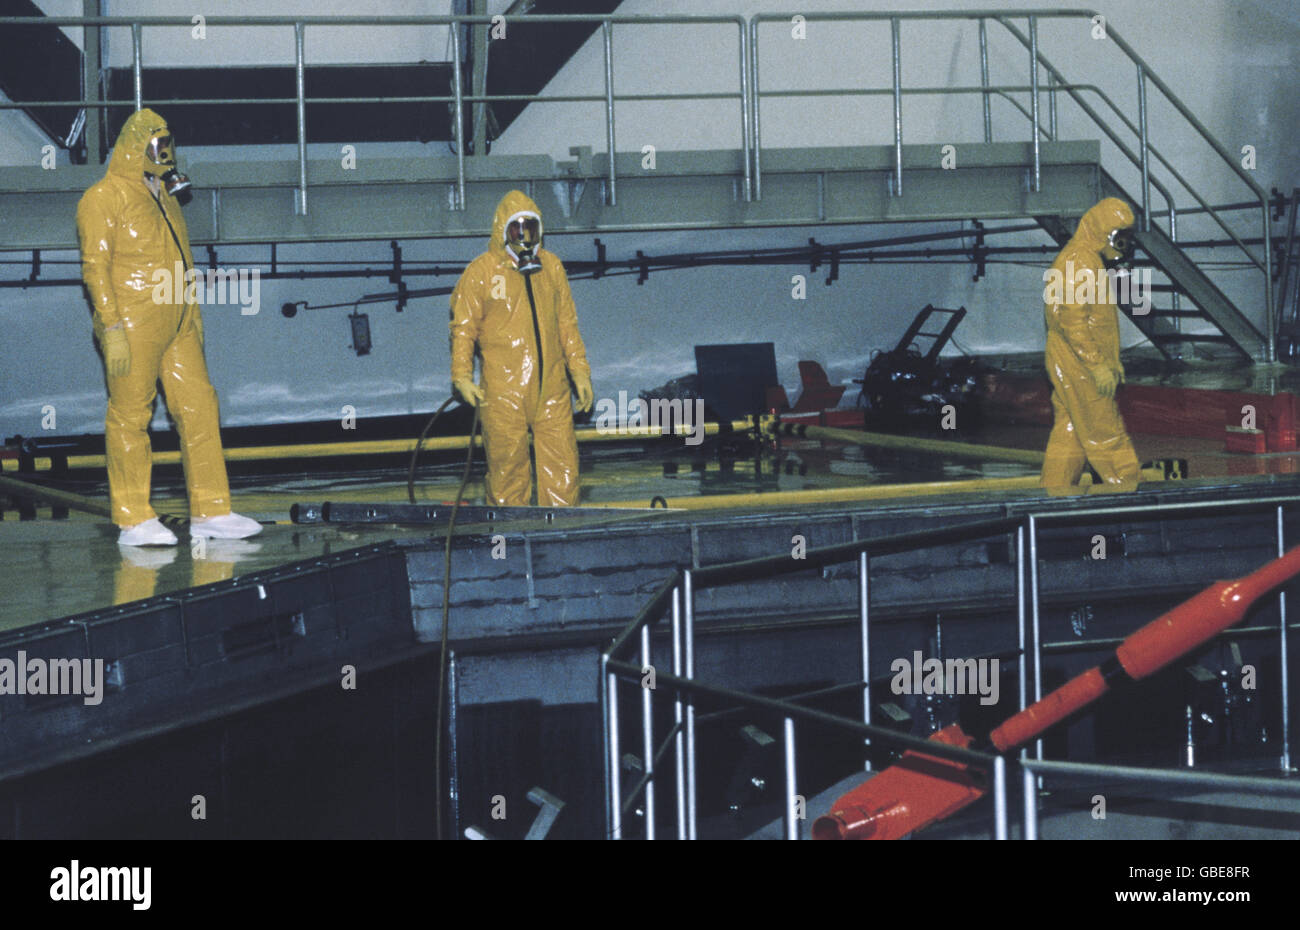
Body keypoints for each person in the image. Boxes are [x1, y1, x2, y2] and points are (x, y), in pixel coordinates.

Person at [77, 108, 261, 545]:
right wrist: (113, 328)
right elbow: (94, 269)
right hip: (133, 321)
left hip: (175, 317)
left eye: (167, 143)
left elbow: (184, 258)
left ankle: (212, 509)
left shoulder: (164, 194)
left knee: (199, 407)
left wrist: (193, 315)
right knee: (129, 415)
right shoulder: (102, 198)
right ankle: (133, 517)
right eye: (156, 144)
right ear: (133, 146)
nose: (165, 152)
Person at [449, 190, 594, 506]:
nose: (525, 237)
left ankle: (559, 535)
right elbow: (464, 329)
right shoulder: (482, 272)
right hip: (503, 393)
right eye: (518, 229)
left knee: (563, 469)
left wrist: (580, 372)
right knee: (507, 473)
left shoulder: (552, 268)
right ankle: (508, 540)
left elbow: (566, 324)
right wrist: (461, 377)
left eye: (532, 228)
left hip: (552, 389)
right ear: (503, 230)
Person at [1040, 196, 1142, 488]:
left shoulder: (1085, 258)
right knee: (1105, 431)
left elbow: (1093, 322)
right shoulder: (1079, 261)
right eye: (1120, 236)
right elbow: (1073, 323)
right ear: (1104, 232)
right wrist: (1097, 365)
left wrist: (1110, 361)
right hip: (1079, 363)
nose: (1124, 244)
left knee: (1070, 430)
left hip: (1071, 359)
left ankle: (1053, 494)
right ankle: (1129, 492)